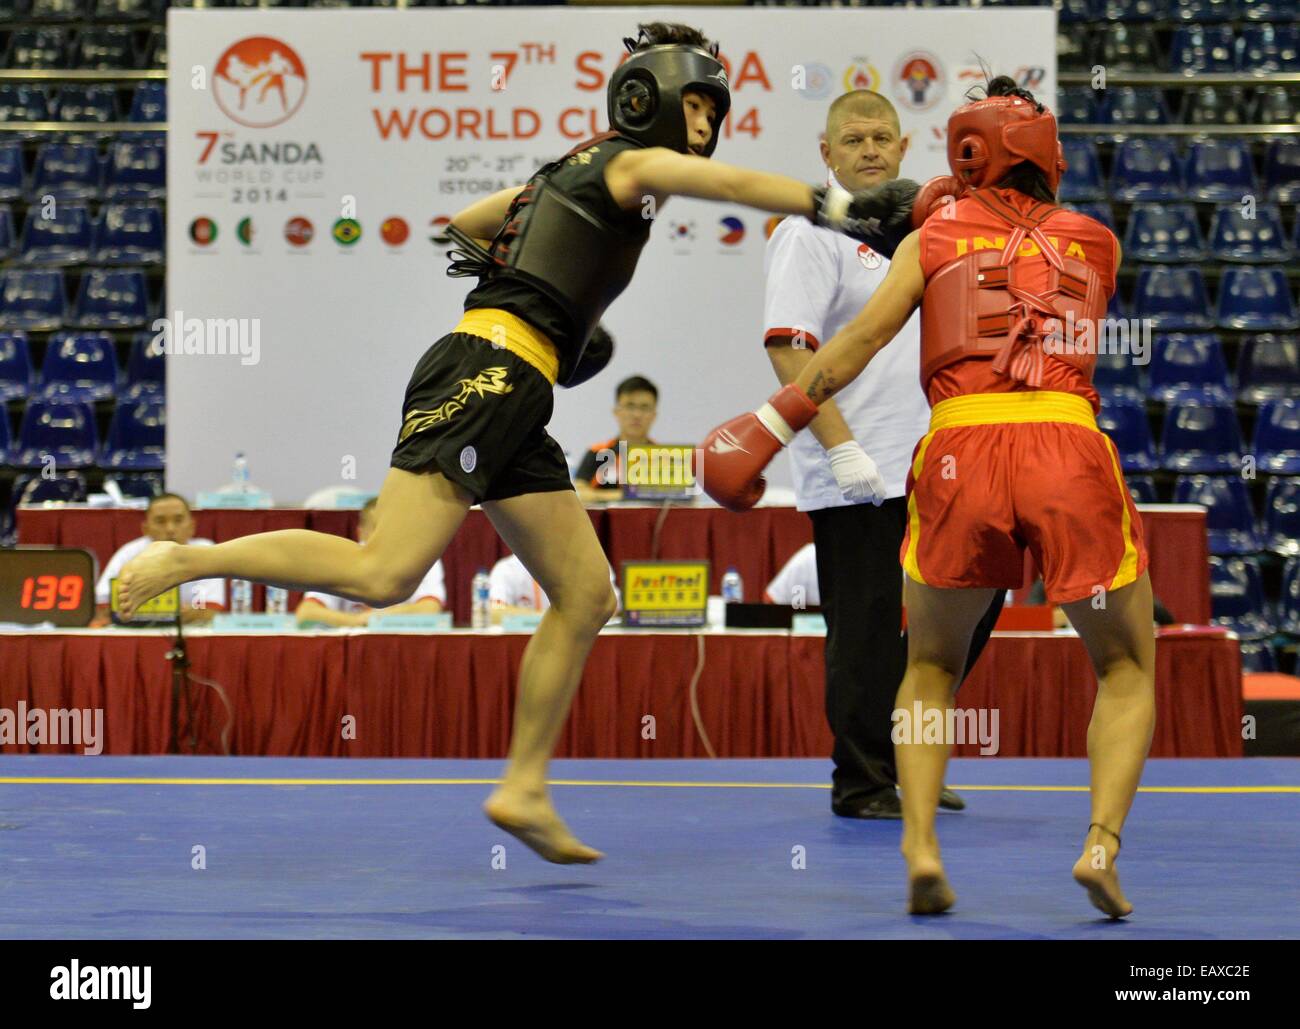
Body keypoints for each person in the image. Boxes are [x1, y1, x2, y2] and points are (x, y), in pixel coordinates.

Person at [119, 21, 924, 865]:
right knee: (383, 572)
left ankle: (524, 786)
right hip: (487, 371)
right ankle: (189, 561)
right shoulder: (630, 159)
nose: (703, 120)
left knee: (586, 594)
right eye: (693, 101)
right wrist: (840, 206)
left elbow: (466, 226)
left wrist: (560, 310)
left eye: (711, 107)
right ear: (645, 99)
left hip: (519, 384)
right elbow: (725, 181)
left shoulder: (566, 172)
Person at [702, 77, 1154, 918]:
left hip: (957, 450)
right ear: (1049, 158)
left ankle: (917, 845)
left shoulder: (932, 236)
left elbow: (860, 342)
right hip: (1066, 445)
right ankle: (1100, 848)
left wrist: (768, 427)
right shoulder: (1098, 240)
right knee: (1125, 663)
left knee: (929, 664)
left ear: (960, 152)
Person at [763, 89, 1002, 819]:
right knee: (865, 632)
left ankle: (910, 759)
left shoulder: (927, 234)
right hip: (857, 470)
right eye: (854, 139)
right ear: (826, 153)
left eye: (882, 138)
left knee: (970, 610)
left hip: (939, 463)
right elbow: (788, 349)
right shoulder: (810, 234)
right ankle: (862, 780)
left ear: (904, 151)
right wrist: (840, 451)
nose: (869, 149)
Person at [296, 497, 446, 627]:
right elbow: (307, 612)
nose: (386, 537)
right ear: (360, 532)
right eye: (377, 529)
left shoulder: (422, 559)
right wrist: (356, 621)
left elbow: (430, 608)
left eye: (392, 529)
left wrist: (378, 620)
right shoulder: (341, 557)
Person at [91, 493, 225, 626]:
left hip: (190, 630)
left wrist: (192, 613)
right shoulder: (129, 553)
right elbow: (102, 606)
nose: (170, 529)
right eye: (160, 521)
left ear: (192, 526)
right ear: (146, 529)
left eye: (178, 520)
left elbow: (213, 610)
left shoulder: (205, 551)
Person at [573, 375, 659, 503]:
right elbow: (578, 494)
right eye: (630, 406)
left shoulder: (665, 457)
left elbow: (681, 501)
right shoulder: (598, 453)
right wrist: (630, 496)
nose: (637, 414)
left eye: (644, 407)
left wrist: (600, 496)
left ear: (654, 415)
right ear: (617, 411)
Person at [489, 552, 619, 625]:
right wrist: (550, 622)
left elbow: (609, 607)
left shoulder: (589, 563)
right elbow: (495, 612)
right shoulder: (507, 569)